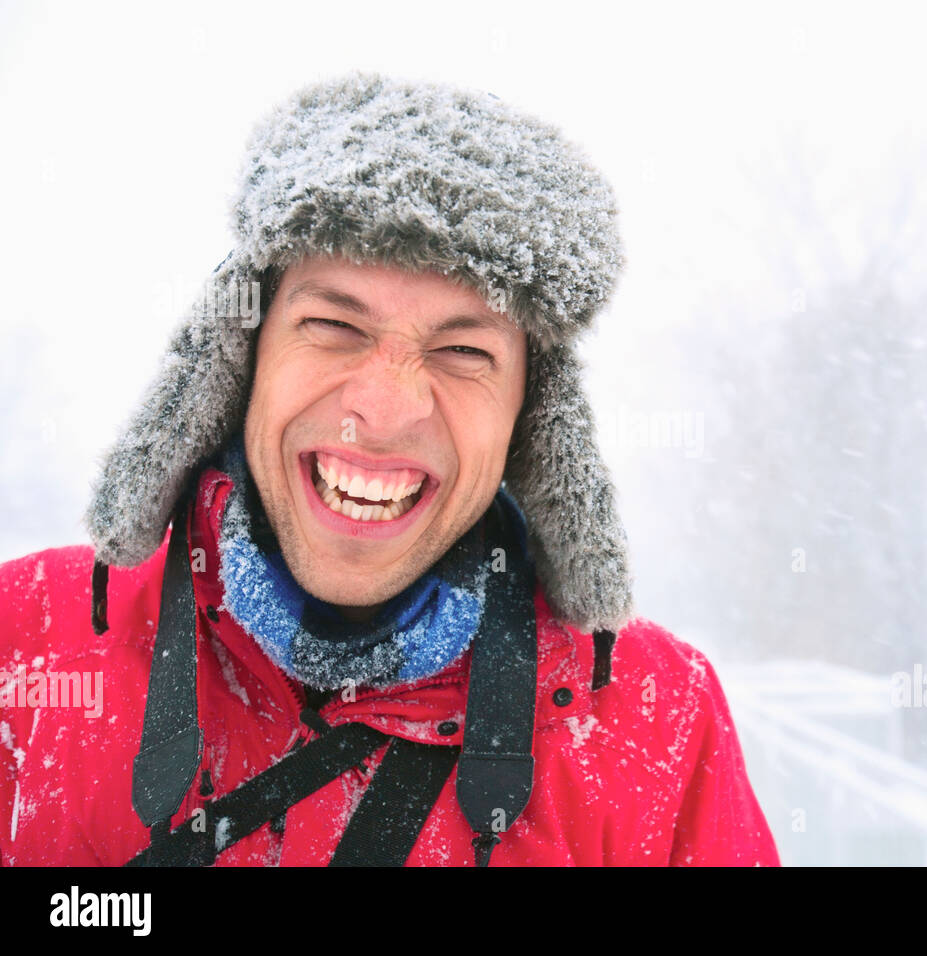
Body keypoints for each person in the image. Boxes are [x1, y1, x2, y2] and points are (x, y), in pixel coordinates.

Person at [0, 72, 780, 867]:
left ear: (530, 420)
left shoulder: (658, 723)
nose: (384, 407)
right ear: (241, 359)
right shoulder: (22, 649)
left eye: (464, 351)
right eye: (334, 325)